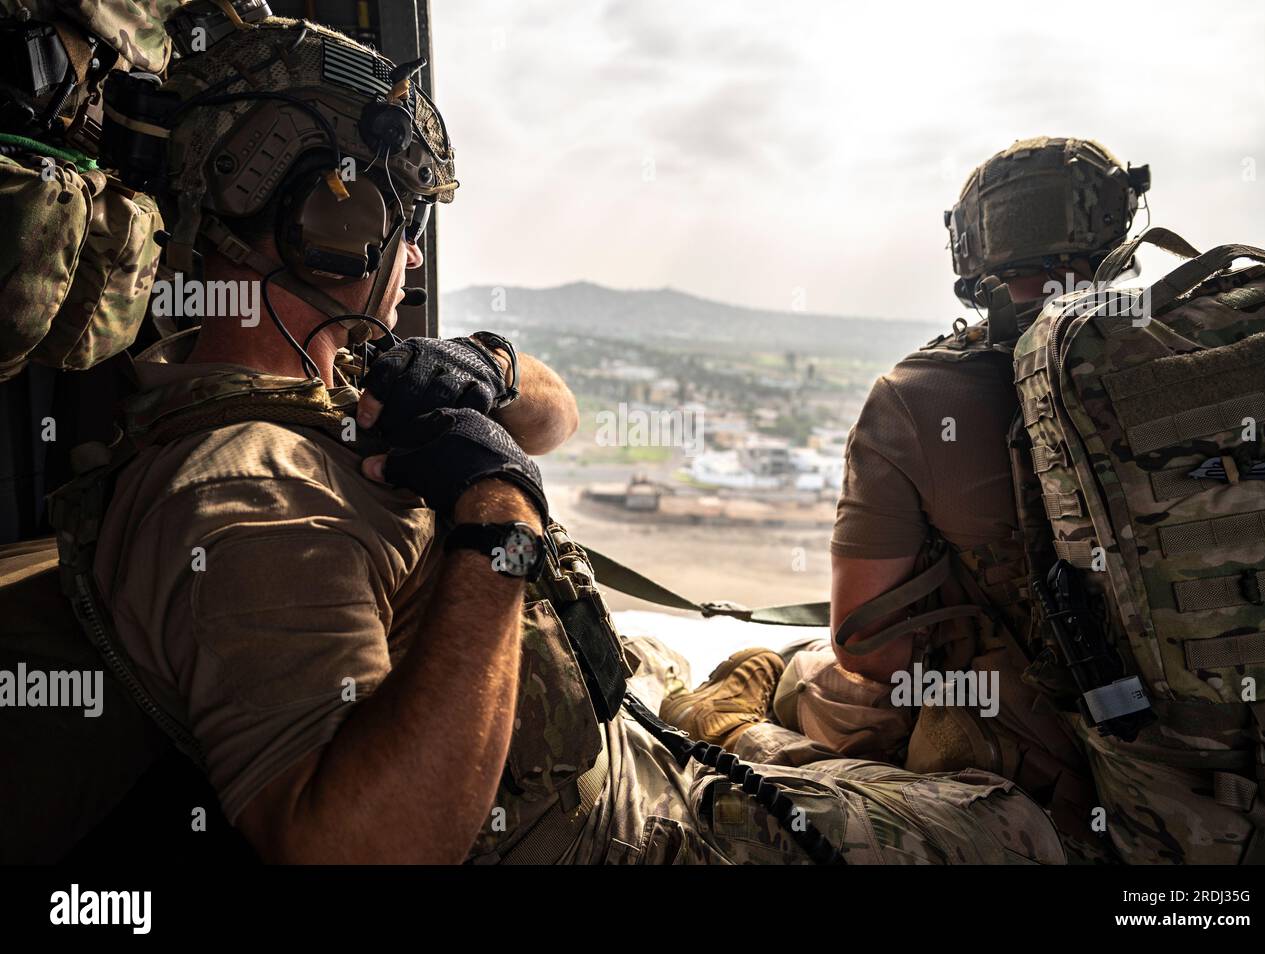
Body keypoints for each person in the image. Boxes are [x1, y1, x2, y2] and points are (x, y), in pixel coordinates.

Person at [85, 10, 1067, 864]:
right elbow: (358, 846)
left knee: (860, 695)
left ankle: (737, 718)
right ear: (334, 218)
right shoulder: (251, 491)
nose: (414, 252)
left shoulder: (329, 384)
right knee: (1016, 824)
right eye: (400, 215)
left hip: (606, 732)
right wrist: (496, 519)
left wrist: (489, 372)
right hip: (626, 834)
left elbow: (553, 415)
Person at [663, 139, 1150, 857]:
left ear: (974, 248)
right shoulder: (1220, 361)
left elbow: (869, 645)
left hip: (1070, 801)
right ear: (1120, 230)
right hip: (1242, 778)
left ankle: (730, 726)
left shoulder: (919, 398)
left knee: (788, 748)